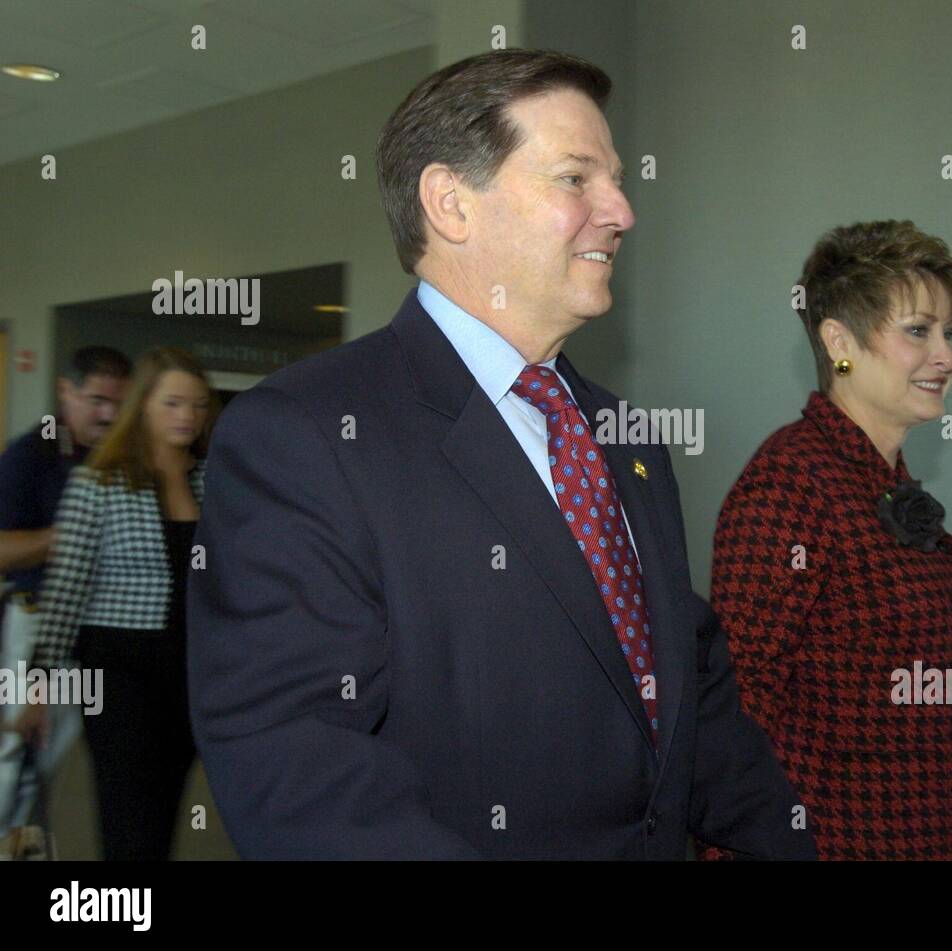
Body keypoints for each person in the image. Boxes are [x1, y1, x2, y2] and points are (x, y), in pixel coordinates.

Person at [187, 48, 814, 860]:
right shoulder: (304, 435)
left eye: (617, 179)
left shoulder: (629, 439)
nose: (622, 209)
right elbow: (297, 766)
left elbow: (689, 696)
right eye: (576, 178)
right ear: (452, 203)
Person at [700, 220, 952, 860]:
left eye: (948, 332)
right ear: (839, 341)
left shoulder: (884, 482)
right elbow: (737, 725)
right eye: (918, 330)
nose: (945, 356)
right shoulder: (789, 487)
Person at [20, 348, 214, 860]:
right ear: (144, 405)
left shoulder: (210, 482)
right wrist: (39, 686)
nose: (186, 417)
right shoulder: (99, 483)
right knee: (128, 811)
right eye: (172, 403)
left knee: (169, 806)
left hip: (190, 669)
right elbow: (66, 589)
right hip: (118, 670)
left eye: (196, 406)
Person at [0, 346, 131, 831]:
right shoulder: (29, 455)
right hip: (35, 622)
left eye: (119, 402)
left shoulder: (120, 458)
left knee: (60, 762)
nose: (109, 414)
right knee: (18, 754)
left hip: (97, 627)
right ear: (65, 391)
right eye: (96, 400)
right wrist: (72, 533)